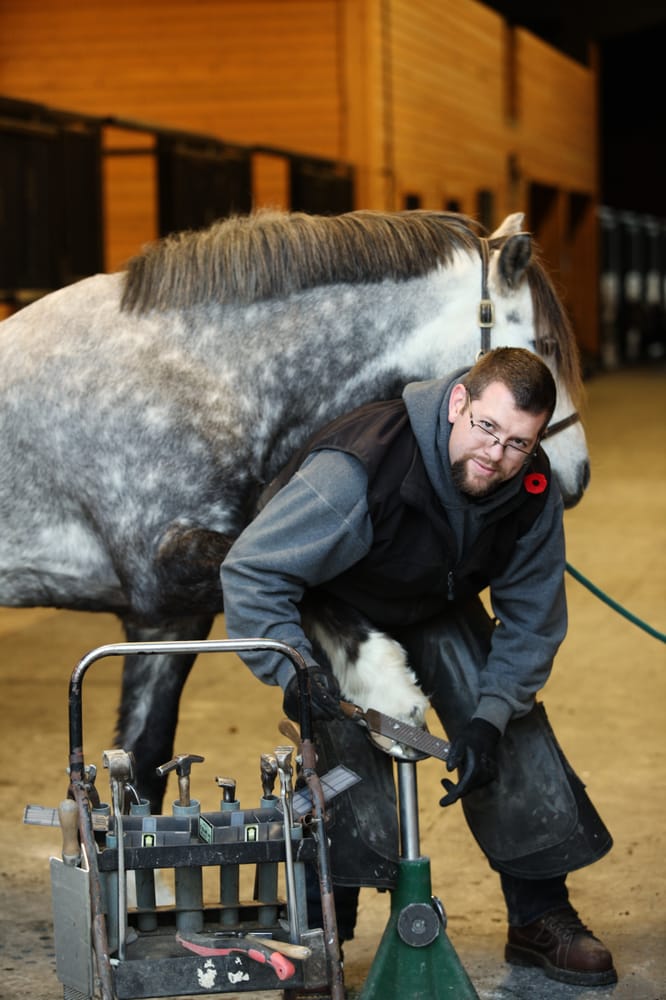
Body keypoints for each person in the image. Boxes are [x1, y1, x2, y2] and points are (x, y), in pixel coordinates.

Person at [221, 347, 616, 990]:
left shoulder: (531, 490)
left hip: (434, 600)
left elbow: (533, 621)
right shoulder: (359, 468)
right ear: (459, 402)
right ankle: (322, 934)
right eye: (487, 428)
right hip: (338, 603)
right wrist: (292, 670)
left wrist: (490, 719)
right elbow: (253, 571)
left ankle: (539, 916)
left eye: (518, 443)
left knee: (505, 718)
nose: (497, 455)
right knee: (345, 755)